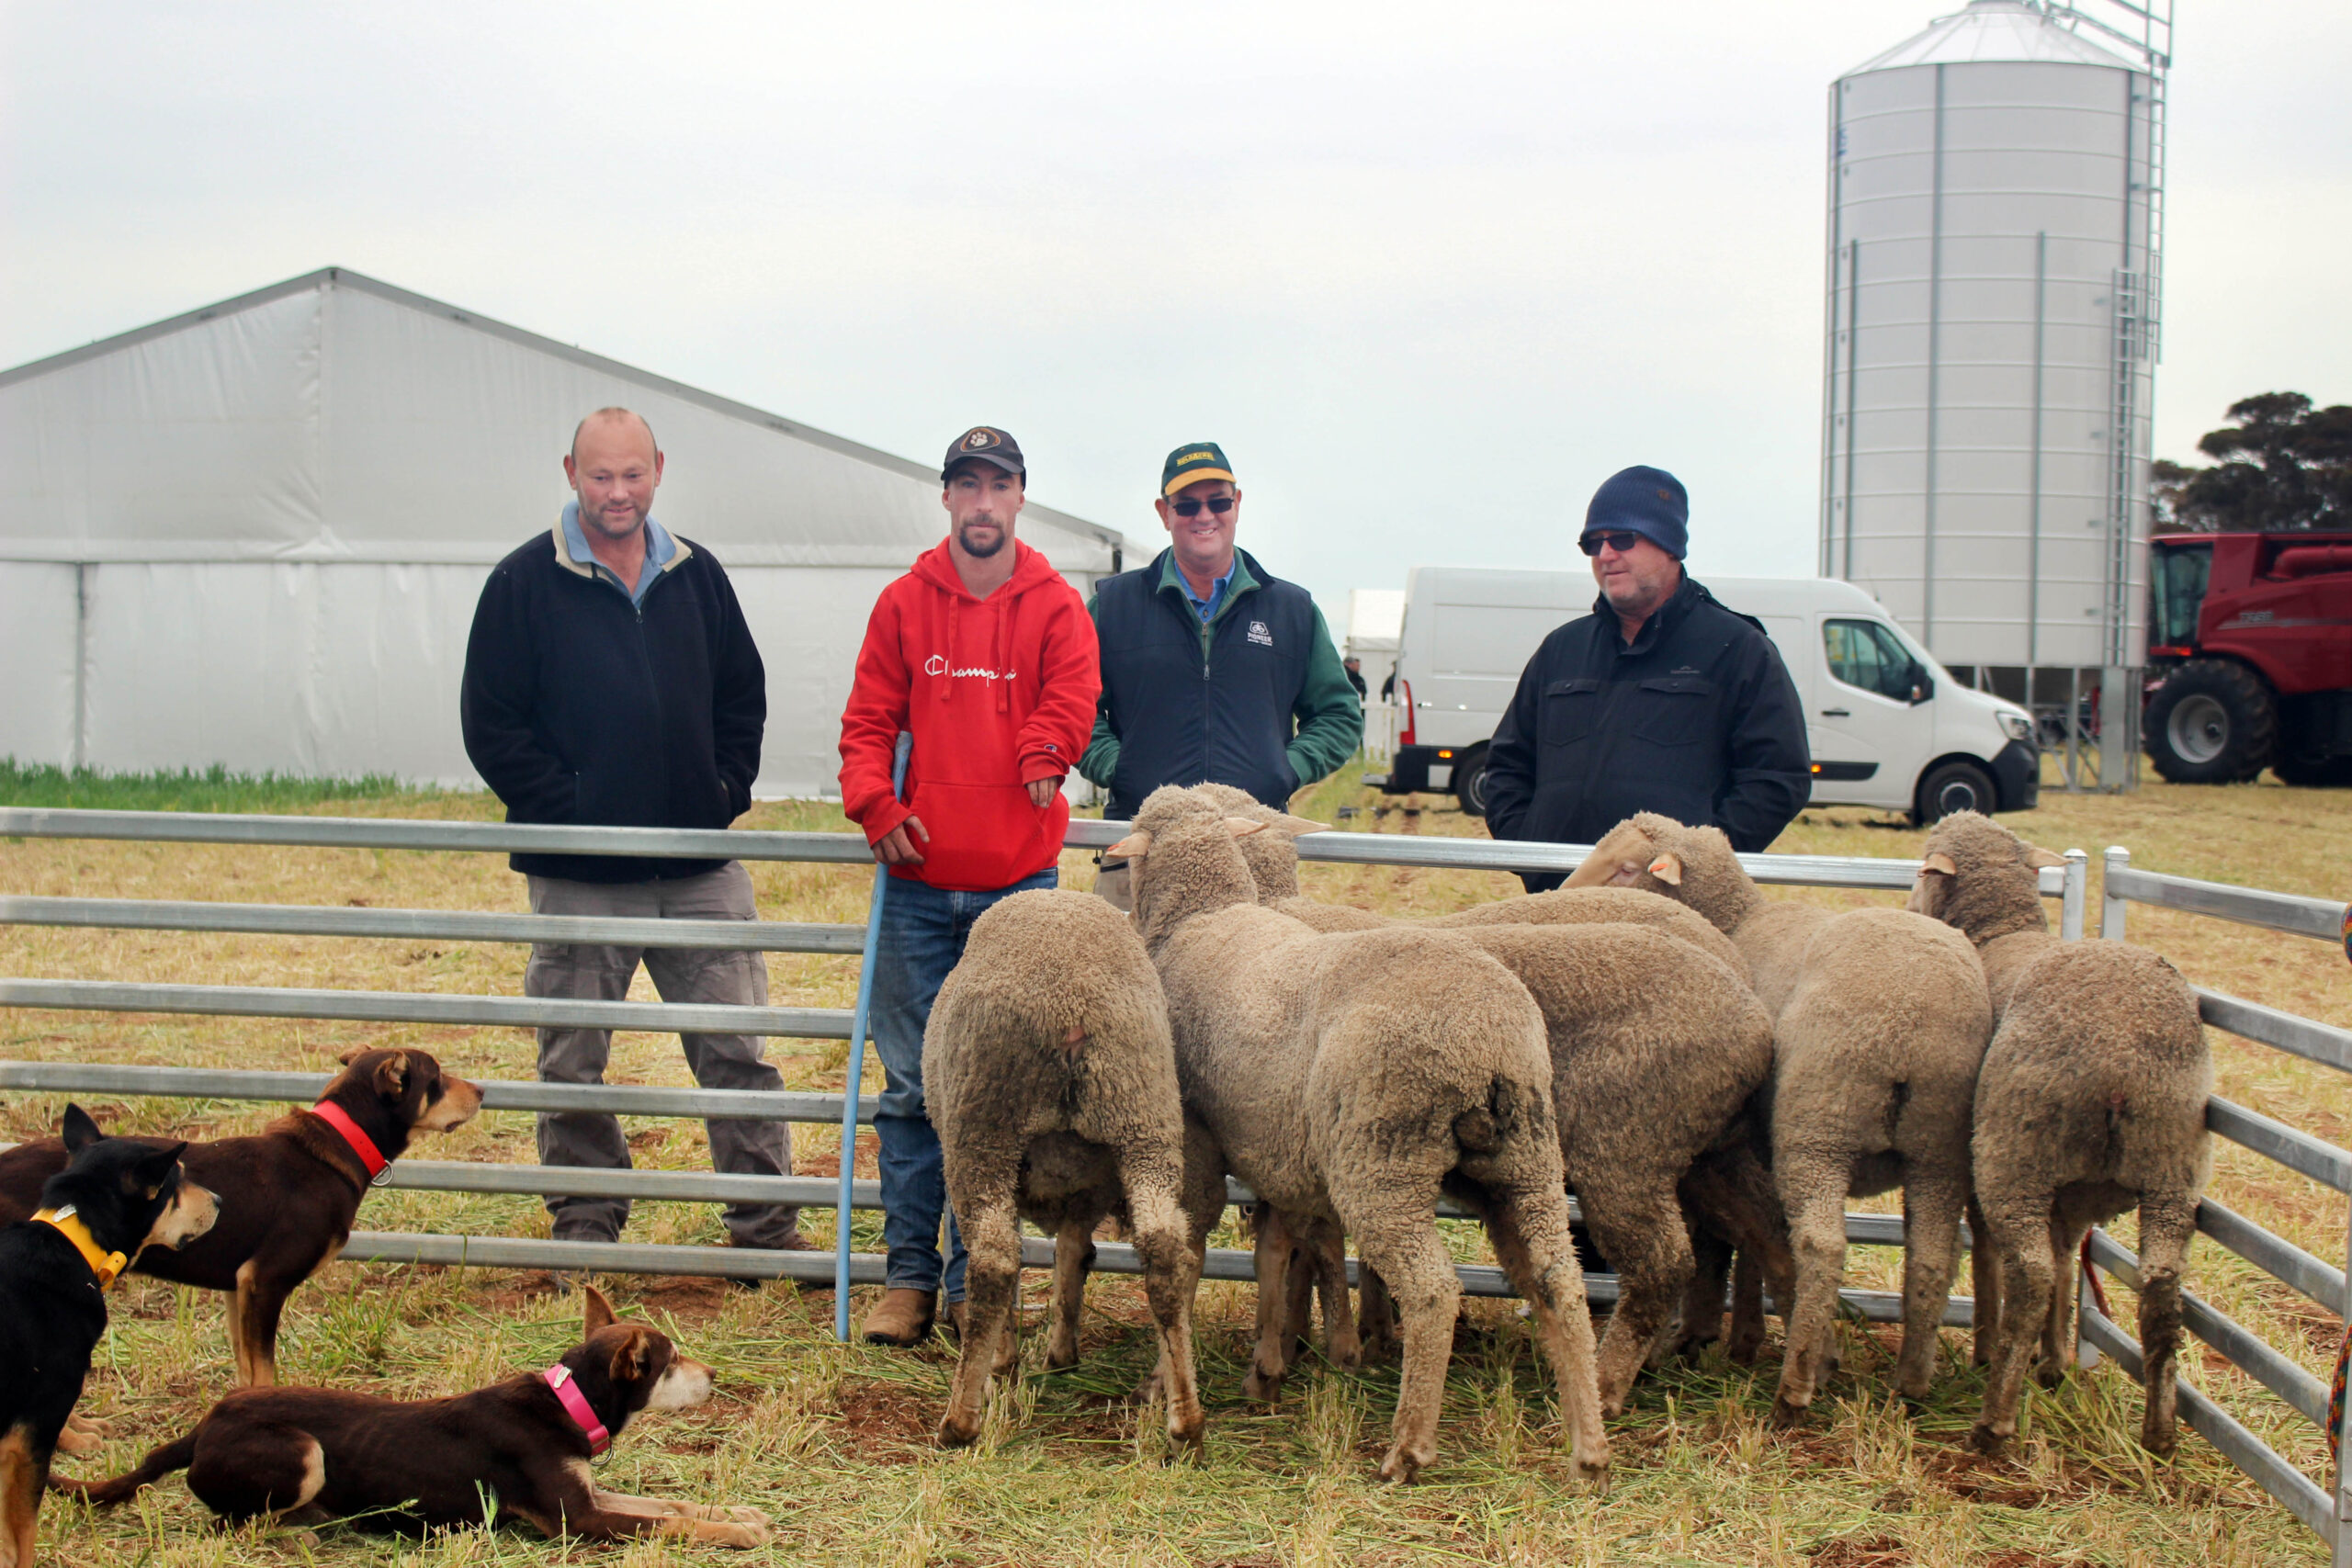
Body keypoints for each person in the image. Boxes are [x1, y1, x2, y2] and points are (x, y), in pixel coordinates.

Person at [459, 407, 804, 1267]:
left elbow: (742, 697)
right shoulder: (522, 582)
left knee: (736, 1049)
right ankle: (586, 1222)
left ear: (659, 469)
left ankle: (766, 1228)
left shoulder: (698, 575)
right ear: (570, 469)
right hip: (580, 873)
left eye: (633, 475)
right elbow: (491, 724)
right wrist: (570, 810)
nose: (618, 493)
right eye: (601, 476)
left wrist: (721, 792)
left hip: (697, 867)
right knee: (573, 1056)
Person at [837, 425, 1101, 1346]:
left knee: (1001, 1093)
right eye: (966, 486)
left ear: (1020, 496)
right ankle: (908, 1277)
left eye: (999, 486)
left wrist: (1045, 747)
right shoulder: (905, 606)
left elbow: (1074, 694)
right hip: (915, 885)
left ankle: (977, 1277)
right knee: (911, 1087)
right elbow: (868, 720)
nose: (982, 503)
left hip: (1015, 892)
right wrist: (874, 802)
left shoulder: (1055, 605)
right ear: (947, 498)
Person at [1482, 465, 1811, 892]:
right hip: (1558, 902)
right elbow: (1507, 766)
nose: (1605, 555)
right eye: (1592, 544)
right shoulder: (1560, 651)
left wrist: (1691, 865)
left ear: (1670, 545)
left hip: (1674, 911)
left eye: (1621, 539)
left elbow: (1777, 779)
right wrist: (1530, 850)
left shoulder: (1738, 649)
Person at [1081, 442, 1363, 908]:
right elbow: (1074, 708)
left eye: (1218, 501)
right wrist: (1120, 767)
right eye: (1187, 505)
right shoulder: (1113, 606)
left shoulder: (1292, 610)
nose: (1204, 515)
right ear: (1163, 512)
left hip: (1255, 852)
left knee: (1252, 978)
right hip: (1144, 849)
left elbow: (1338, 715)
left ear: (1238, 503)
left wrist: (1283, 771)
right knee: (1133, 979)